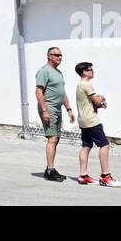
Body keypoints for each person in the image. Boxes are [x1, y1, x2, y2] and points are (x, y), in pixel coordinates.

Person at [75, 62, 121, 187]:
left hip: (83, 120)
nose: (93, 72)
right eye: (90, 70)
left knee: (86, 146)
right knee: (104, 145)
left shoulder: (80, 85)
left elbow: (89, 103)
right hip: (91, 120)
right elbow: (96, 99)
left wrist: (98, 104)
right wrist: (101, 97)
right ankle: (105, 176)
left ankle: (83, 176)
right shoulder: (87, 84)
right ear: (84, 72)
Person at [34, 45, 75, 183]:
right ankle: (50, 171)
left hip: (57, 108)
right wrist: (45, 110)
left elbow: (62, 93)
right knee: (52, 138)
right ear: (49, 56)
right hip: (49, 107)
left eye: (61, 55)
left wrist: (69, 109)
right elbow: (38, 92)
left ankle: (49, 169)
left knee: (56, 139)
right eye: (57, 55)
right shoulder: (44, 71)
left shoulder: (58, 72)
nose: (60, 57)